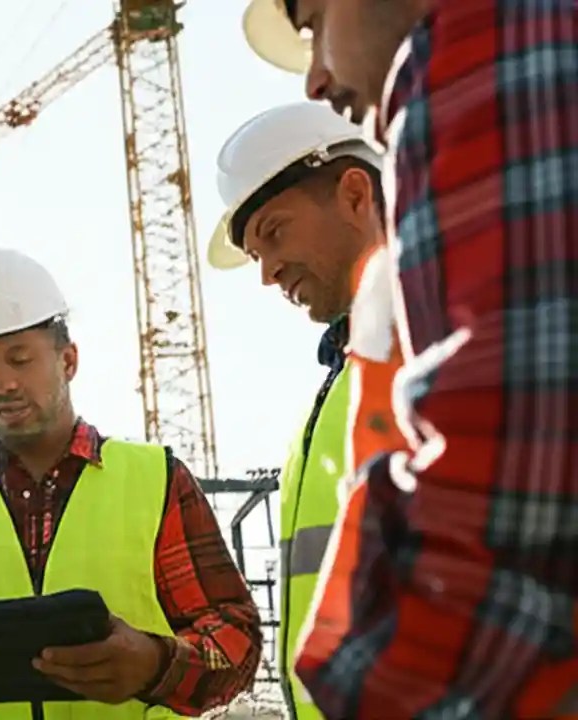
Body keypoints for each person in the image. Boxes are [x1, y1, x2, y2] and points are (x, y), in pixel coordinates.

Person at [242, 0, 578, 717]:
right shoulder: (368, 336)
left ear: (356, 191)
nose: (315, 76)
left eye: (313, 26)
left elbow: (519, 475)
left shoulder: (490, 52)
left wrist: (377, 688)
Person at [0, 248, 262, 719]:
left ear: (68, 361)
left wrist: (156, 664)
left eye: (19, 359)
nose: (0, 384)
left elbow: (237, 642)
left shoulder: (157, 480)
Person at [207, 100, 405, 720]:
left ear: (353, 195)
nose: (266, 273)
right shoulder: (336, 395)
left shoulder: (443, 350)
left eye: (274, 232)